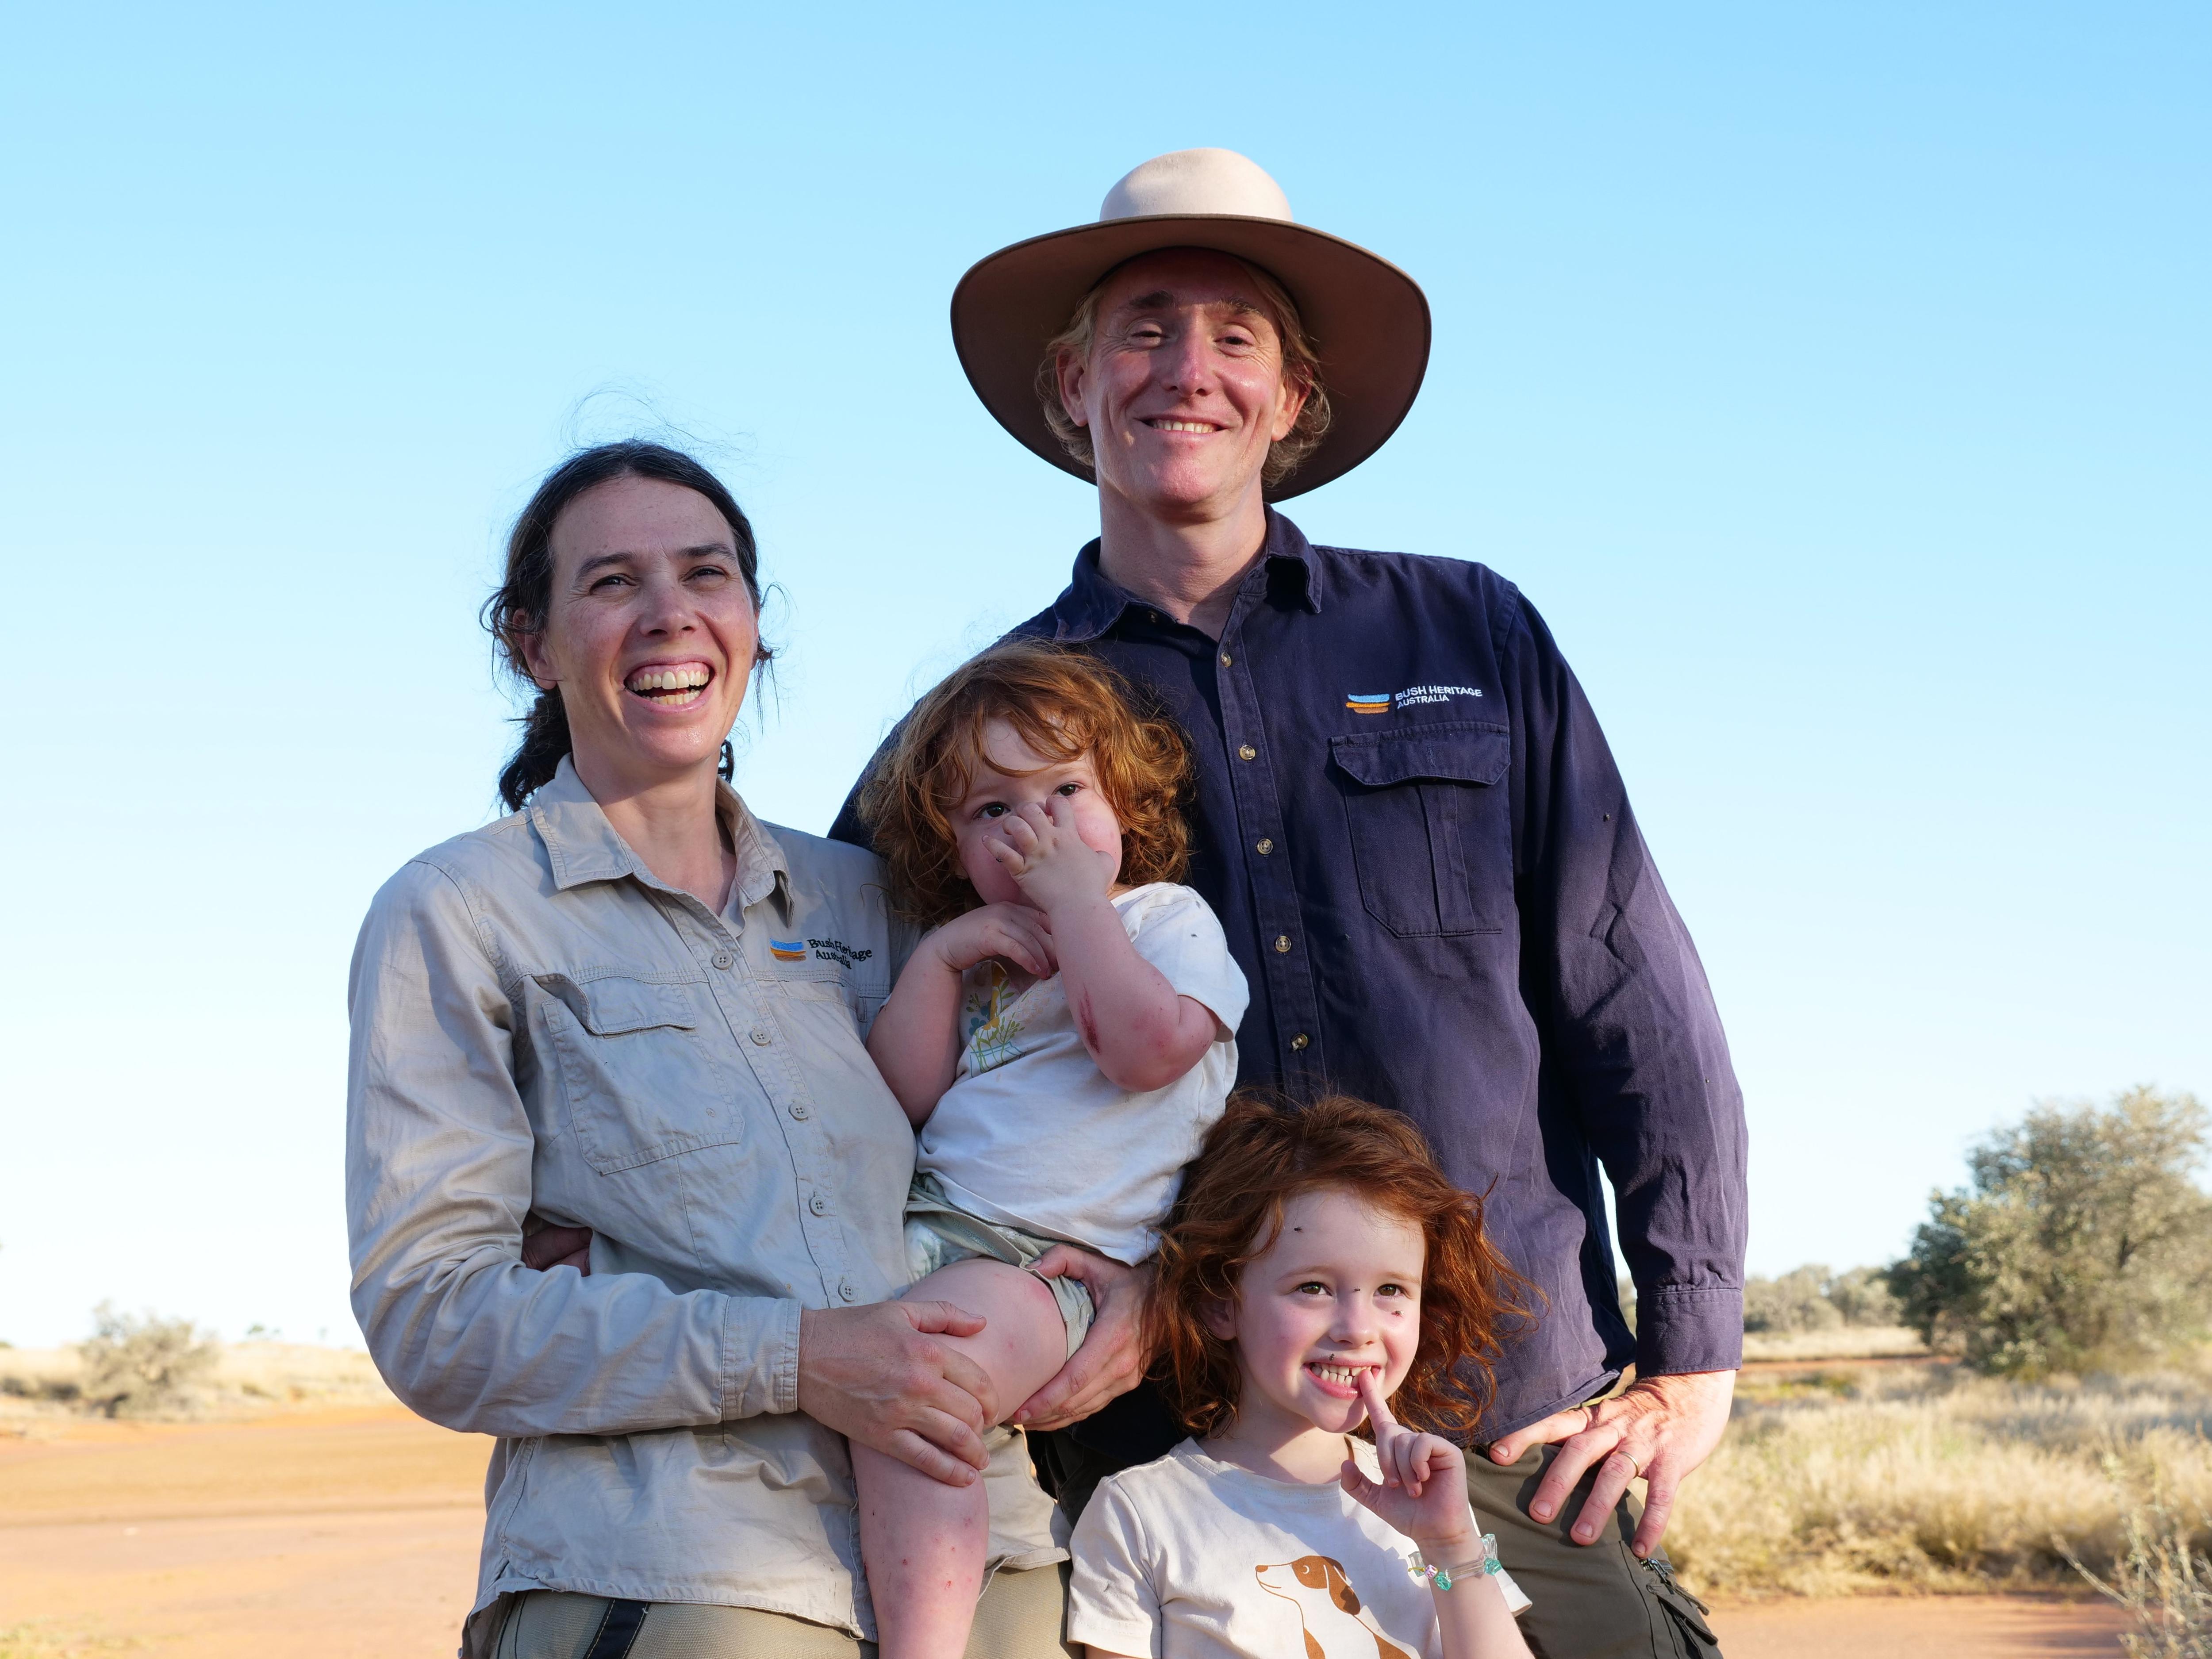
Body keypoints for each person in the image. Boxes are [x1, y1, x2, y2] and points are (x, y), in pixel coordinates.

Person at [831, 148, 1743, 1656]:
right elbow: (815, 999)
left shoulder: (1473, 629)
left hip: (1499, 1403)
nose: (1185, 370)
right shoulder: (990, 733)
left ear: (1293, 395)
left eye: (1235, 336)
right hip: (1150, 1425)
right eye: (1140, 328)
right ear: (1070, 387)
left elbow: (1626, 980)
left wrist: (1692, 1350)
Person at [346, 441, 1113, 1659]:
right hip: (676, 1575)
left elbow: (1059, 1137)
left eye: (707, 572)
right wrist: (804, 1355)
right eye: (611, 582)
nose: (670, 614)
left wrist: (1127, 1305)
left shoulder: (878, 900)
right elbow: (436, 1317)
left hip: (1000, 1564)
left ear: (754, 620)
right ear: (531, 642)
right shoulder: (457, 912)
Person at [852, 640, 1250, 1659]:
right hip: (916, 1224)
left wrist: (1078, 911)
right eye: (992, 808)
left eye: (1064, 790)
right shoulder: (980, 955)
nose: (1032, 826)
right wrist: (941, 960)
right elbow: (897, 1096)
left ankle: (924, 1644)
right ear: (950, 841)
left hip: (1042, 1261)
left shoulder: (1163, 921)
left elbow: (1145, 1050)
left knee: (922, 1395)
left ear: (1121, 802)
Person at [1068, 1094, 1533, 1659]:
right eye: (1312, 1287)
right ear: (1222, 1305)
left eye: (1391, 1290)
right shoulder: (1139, 1515)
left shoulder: (1430, 1507)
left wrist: (1450, 1546)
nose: (1358, 1329)